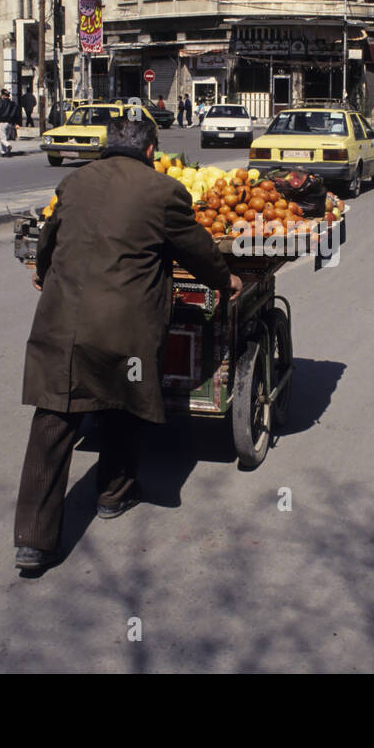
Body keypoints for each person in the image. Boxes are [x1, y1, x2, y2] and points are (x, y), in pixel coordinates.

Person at [15, 116, 243, 571]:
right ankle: (113, 495)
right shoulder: (163, 191)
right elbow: (196, 248)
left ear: (107, 147)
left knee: (54, 419)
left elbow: (49, 237)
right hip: (125, 325)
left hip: (63, 319)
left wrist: (42, 272)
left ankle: (33, 541)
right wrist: (225, 279)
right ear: (151, 149)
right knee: (123, 402)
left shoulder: (74, 182)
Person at [0, 88, 20, 156]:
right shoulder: (13, 104)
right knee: (5, 138)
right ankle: (4, 152)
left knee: (2, 139)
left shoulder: (2, 103)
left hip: (3, 122)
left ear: (3, 95)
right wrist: (16, 123)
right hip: (10, 123)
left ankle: (8, 146)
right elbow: (16, 114)